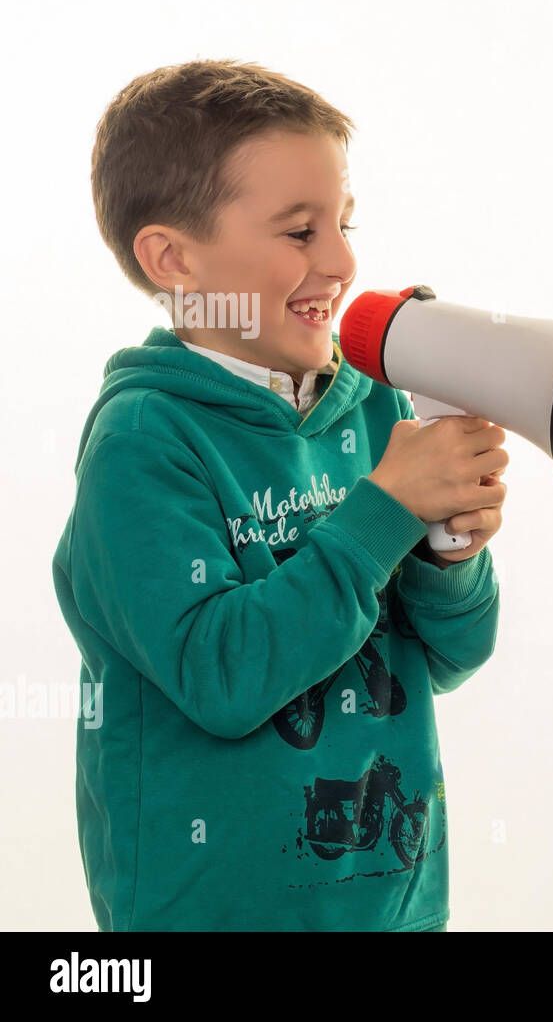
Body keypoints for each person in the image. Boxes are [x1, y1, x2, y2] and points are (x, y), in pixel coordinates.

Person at [52, 59, 508, 931]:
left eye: (343, 222)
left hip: (394, 907)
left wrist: (452, 550)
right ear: (174, 258)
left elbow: (445, 659)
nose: (341, 260)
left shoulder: (374, 402)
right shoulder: (144, 441)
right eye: (300, 231)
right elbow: (224, 674)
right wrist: (382, 512)